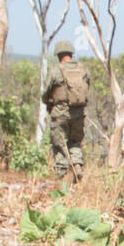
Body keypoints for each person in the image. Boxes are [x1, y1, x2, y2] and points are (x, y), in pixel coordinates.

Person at [42, 39, 87, 180]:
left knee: (59, 142)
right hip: (79, 112)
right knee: (75, 141)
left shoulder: (56, 71)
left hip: (60, 112)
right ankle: (77, 165)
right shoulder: (83, 70)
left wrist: (49, 102)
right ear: (71, 53)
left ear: (58, 55)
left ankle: (61, 174)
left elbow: (45, 93)